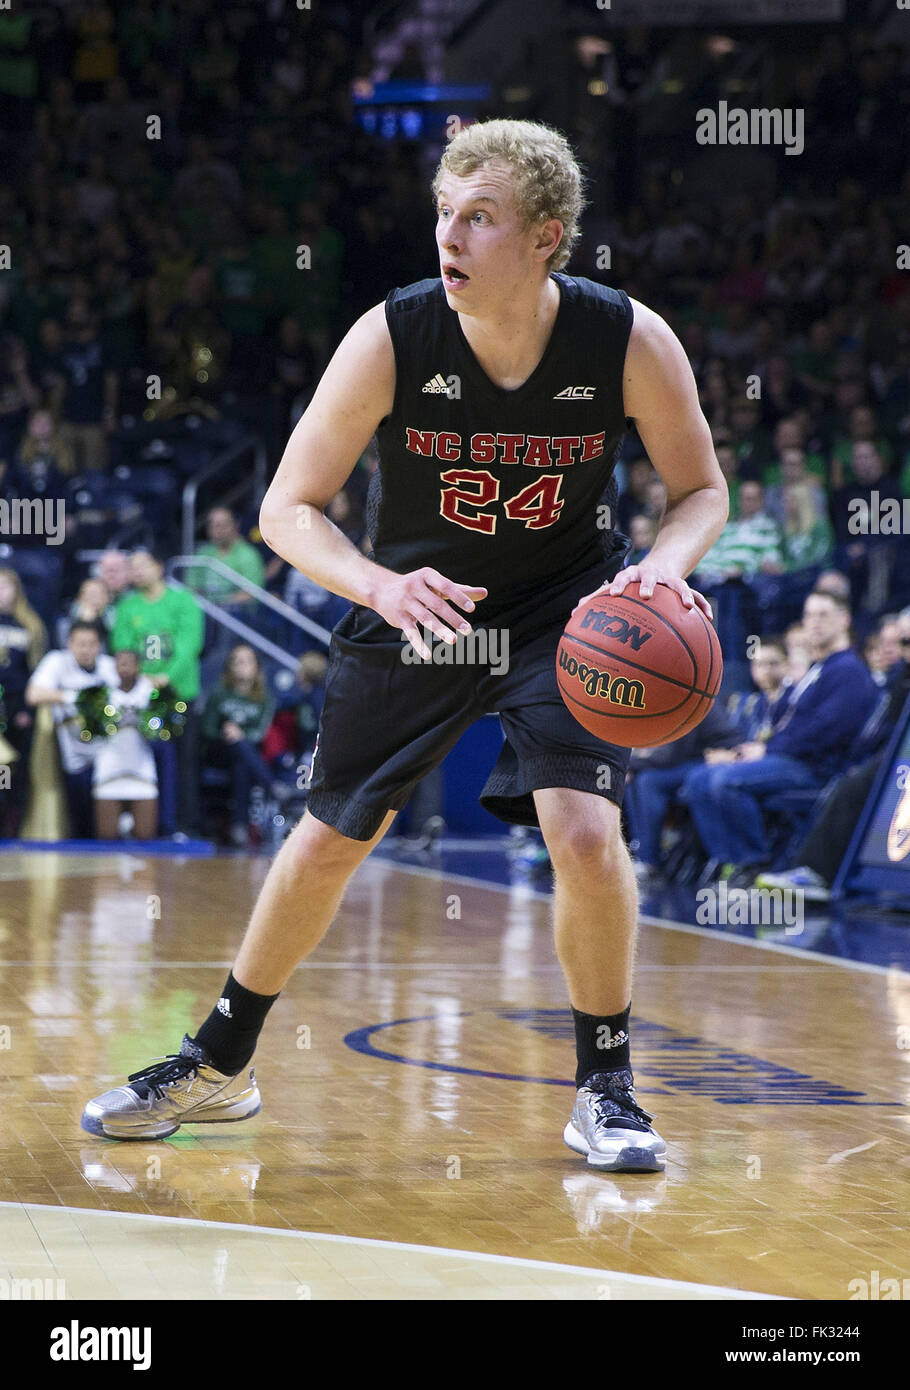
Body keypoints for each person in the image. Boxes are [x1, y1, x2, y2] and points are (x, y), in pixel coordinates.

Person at [81, 117, 728, 1173]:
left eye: (479, 217)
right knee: (332, 835)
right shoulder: (391, 335)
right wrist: (380, 582)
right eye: (442, 213)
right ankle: (221, 1061)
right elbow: (287, 510)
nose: (450, 235)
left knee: (581, 832)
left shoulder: (625, 338)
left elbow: (700, 488)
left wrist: (663, 565)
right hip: (420, 608)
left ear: (545, 237)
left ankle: (605, 1087)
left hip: (567, 613)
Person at [680, 590, 878, 880]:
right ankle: (729, 861)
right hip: (786, 759)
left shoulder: (848, 670)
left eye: (823, 614)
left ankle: (754, 862)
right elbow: (783, 721)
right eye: (809, 615)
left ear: (844, 620)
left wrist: (768, 751)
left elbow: (824, 732)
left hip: (815, 767)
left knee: (725, 781)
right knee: (698, 779)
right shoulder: (817, 670)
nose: (814, 622)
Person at [111, 548, 204, 837]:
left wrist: (167, 676)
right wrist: (142, 679)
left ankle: (185, 824)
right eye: (133, 567)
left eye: (143, 565)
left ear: (159, 566)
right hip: (140, 697)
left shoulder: (183, 600)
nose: (137, 571)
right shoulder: (127, 606)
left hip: (179, 694)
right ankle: (147, 825)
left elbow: (191, 644)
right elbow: (122, 646)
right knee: (143, 759)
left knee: (184, 762)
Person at [24, 620, 118, 838]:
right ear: (70, 644)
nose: (86, 650)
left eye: (91, 644)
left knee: (105, 813)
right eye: (80, 644)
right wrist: (74, 698)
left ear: (100, 645)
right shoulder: (57, 661)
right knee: (80, 813)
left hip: (106, 749)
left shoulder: (109, 666)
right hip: (73, 753)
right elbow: (33, 695)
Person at [201, 643, 282, 848]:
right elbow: (206, 728)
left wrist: (240, 735)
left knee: (242, 763)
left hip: (247, 754)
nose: (241, 666)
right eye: (236, 661)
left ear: (256, 667)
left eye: (246, 661)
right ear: (229, 667)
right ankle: (272, 786)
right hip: (219, 751)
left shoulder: (265, 698)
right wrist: (226, 733)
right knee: (239, 749)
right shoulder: (219, 693)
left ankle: (239, 828)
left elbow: (260, 733)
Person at [0, 568, 48, 837]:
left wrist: (27, 709)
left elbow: (37, 671)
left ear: (16, 591)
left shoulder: (29, 625)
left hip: (17, 704)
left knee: (14, 767)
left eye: (5, 587)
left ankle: (11, 824)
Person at [92, 648, 158, 839]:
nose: (125, 668)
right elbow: (89, 731)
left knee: (145, 835)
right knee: (107, 835)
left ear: (138, 666)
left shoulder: (151, 692)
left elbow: (162, 731)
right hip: (109, 768)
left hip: (141, 768)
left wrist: (143, 723)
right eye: (121, 663)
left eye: (130, 663)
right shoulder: (100, 693)